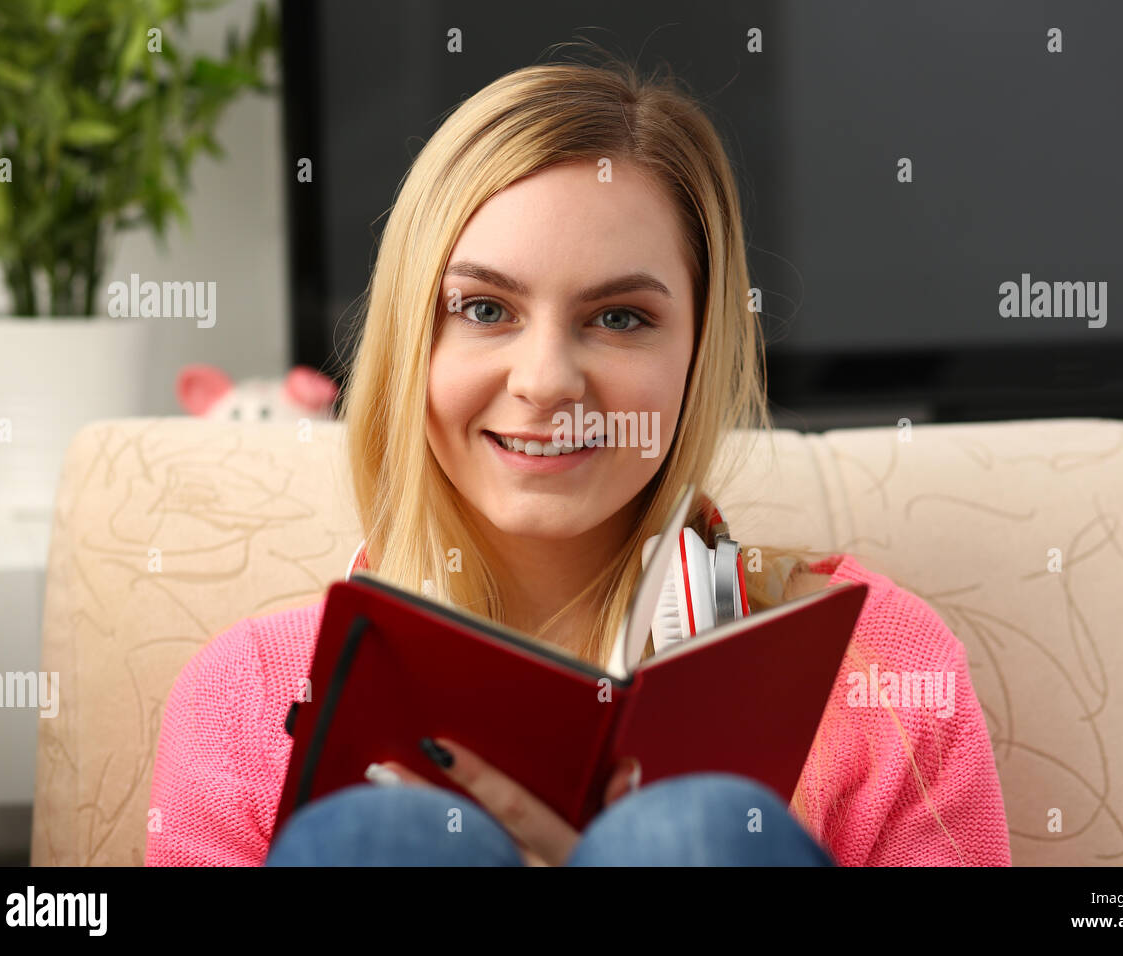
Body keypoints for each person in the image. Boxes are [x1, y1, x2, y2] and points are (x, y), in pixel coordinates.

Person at [146, 48, 1011, 867]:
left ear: (700, 350)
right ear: (412, 339)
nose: (548, 380)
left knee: (697, 834)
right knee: (381, 838)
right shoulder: (249, 699)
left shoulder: (877, 666)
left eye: (621, 318)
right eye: (484, 309)